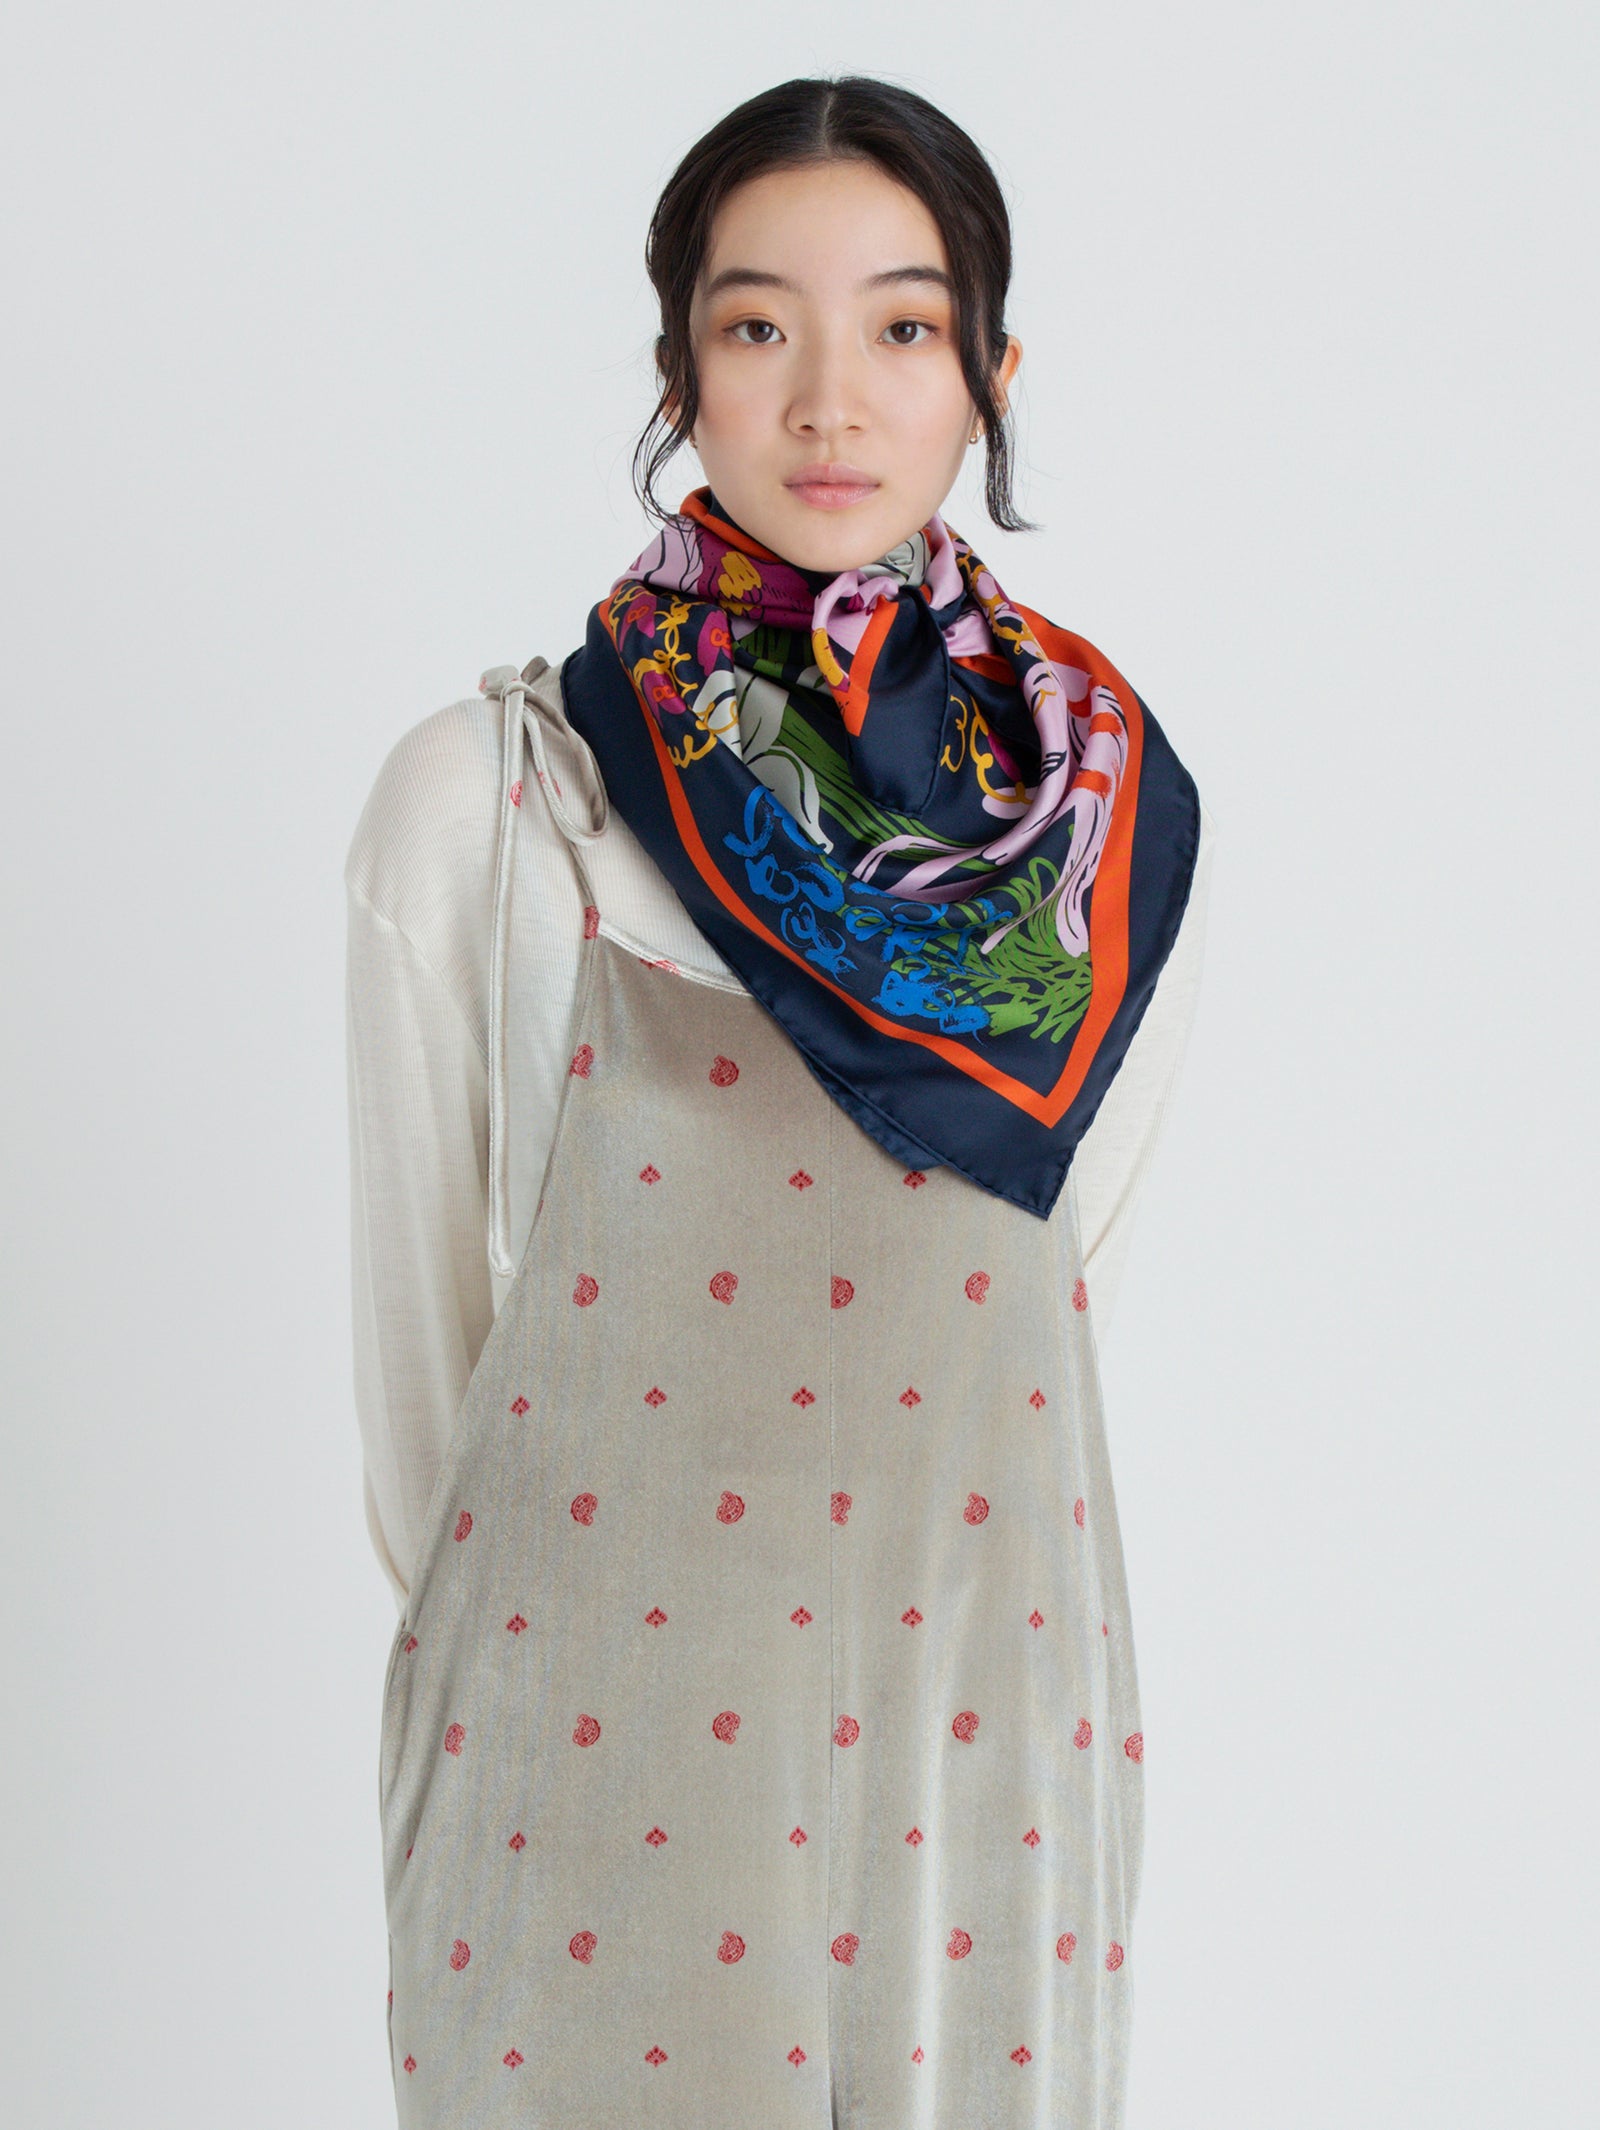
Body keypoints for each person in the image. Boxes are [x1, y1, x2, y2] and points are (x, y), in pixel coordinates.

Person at [344, 73, 1215, 2129]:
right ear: (680, 373)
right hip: (585, 1749)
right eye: (758, 326)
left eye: (903, 327)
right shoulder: (497, 801)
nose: (831, 399)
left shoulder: (1103, 848)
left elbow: (1042, 1296)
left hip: (982, 1749)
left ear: (990, 376)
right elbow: (425, 1407)